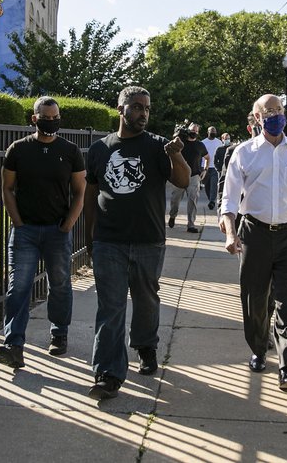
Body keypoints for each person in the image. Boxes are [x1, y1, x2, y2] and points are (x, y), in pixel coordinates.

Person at [83, 86, 190, 400]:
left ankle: (145, 346)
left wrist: (176, 154)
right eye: (137, 107)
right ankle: (107, 374)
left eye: (147, 108)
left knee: (146, 301)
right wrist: (91, 235)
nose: (143, 113)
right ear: (121, 108)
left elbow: (183, 181)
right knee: (110, 308)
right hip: (109, 241)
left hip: (148, 240)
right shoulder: (100, 149)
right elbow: (91, 195)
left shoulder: (159, 146)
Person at [220, 94, 287, 391]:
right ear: (257, 117)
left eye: (279, 110)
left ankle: (286, 366)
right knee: (255, 300)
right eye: (269, 111)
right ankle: (260, 349)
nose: (276, 115)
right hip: (254, 235)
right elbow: (229, 200)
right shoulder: (244, 153)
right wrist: (230, 233)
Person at [0, 97, 86, 369]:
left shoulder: (70, 151)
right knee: (18, 288)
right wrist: (18, 222)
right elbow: (7, 188)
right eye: (45, 117)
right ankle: (14, 345)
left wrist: (68, 224)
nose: (51, 121)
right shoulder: (18, 149)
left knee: (59, 284)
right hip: (26, 231)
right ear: (34, 119)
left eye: (55, 116)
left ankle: (59, 334)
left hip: (58, 230)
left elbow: (80, 192)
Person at [168, 122, 208, 234]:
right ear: (188, 130)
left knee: (192, 200)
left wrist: (205, 170)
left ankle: (191, 224)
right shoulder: (181, 142)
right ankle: (172, 215)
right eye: (192, 130)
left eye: (196, 131)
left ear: (198, 133)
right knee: (175, 199)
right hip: (179, 176)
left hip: (194, 176)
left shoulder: (200, 145)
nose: (194, 132)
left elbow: (207, 157)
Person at [200, 126, 225, 211]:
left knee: (214, 185)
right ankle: (210, 199)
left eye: (214, 131)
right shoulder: (203, 142)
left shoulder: (219, 142)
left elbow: (221, 154)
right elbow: (200, 156)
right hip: (205, 167)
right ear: (208, 132)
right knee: (207, 186)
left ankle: (212, 201)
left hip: (215, 167)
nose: (213, 132)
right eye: (212, 131)